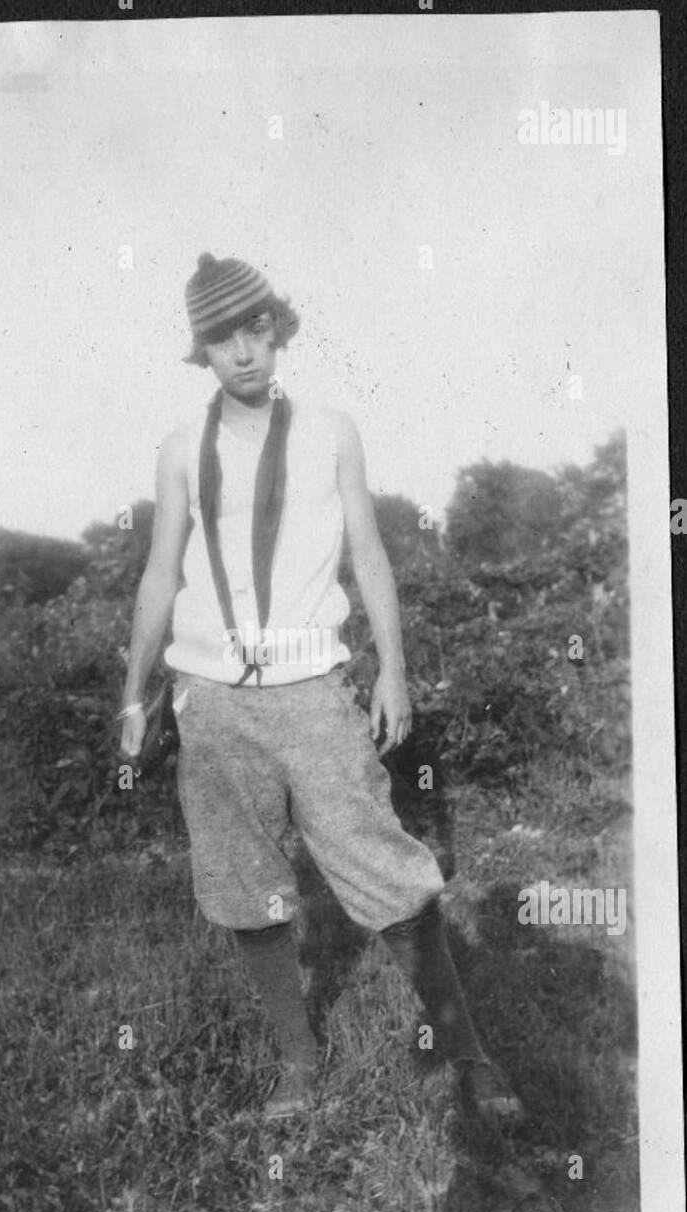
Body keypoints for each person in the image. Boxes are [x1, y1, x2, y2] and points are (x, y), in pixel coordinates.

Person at [119, 252, 523, 1125]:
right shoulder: (180, 452)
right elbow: (158, 574)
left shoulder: (331, 430)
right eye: (221, 339)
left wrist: (394, 669)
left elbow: (367, 553)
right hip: (212, 697)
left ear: (278, 331)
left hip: (313, 689)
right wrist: (132, 691)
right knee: (243, 880)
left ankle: (466, 1054)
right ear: (202, 352)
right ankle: (298, 1063)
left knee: (381, 864)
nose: (243, 353)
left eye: (254, 330)